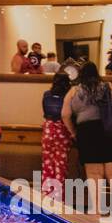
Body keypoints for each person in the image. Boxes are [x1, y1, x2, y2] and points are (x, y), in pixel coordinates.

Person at [61, 61, 112, 220]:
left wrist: (73, 132)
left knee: (94, 174)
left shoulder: (74, 91)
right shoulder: (110, 86)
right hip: (109, 130)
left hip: (87, 132)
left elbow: (65, 115)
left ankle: (96, 211)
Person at [41, 71, 73, 202]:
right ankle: (59, 198)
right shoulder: (68, 96)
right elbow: (68, 114)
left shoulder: (47, 95)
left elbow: (44, 111)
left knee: (47, 164)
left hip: (48, 129)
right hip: (62, 130)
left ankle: (47, 196)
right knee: (60, 165)